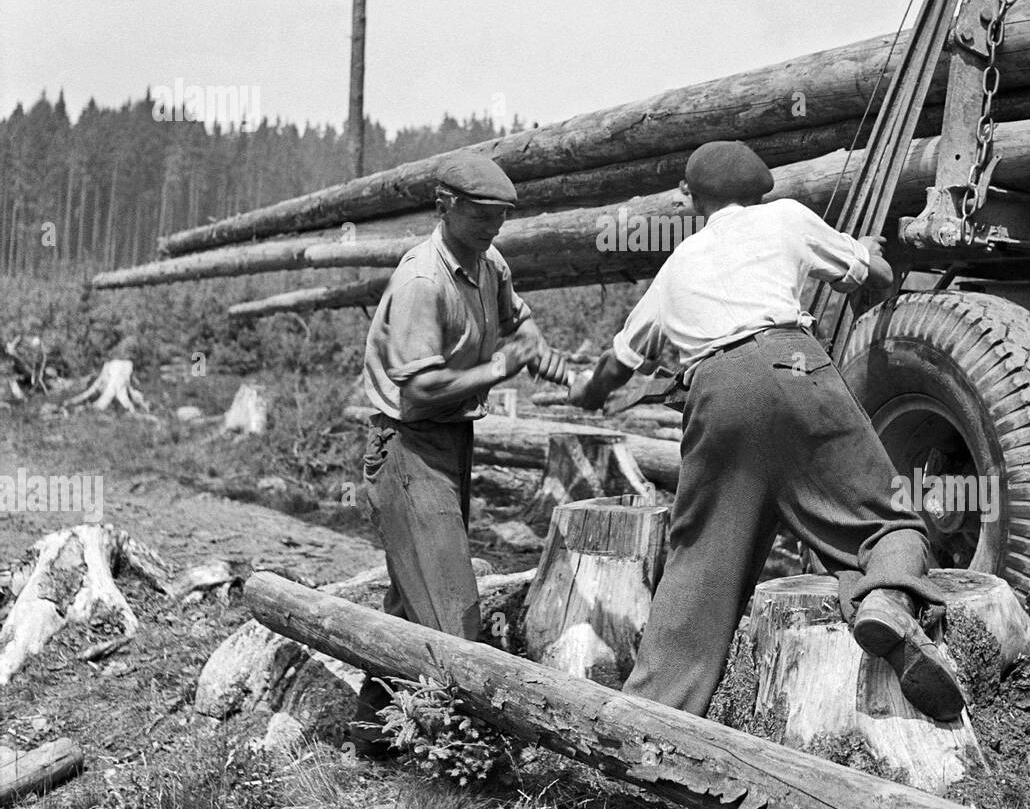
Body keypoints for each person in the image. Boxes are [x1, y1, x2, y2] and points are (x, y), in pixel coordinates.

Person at [570, 140, 965, 721]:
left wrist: (585, 391)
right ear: (761, 189)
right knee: (887, 519)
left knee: (700, 570)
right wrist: (870, 256)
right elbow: (875, 279)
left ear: (689, 196)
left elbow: (613, 368)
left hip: (717, 393)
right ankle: (886, 597)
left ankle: (650, 723)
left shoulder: (675, 266)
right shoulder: (785, 217)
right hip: (797, 367)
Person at [352, 150, 566, 757]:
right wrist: (502, 365)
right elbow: (418, 390)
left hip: (452, 442)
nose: (494, 227)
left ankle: (371, 742)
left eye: (501, 216)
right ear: (444, 206)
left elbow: (521, 323)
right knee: (452, 611)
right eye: (481, 215)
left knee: (407, 599)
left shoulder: (487, 260)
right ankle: (463, 758)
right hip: (408, 450)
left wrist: (538, 350)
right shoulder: (423, 282)